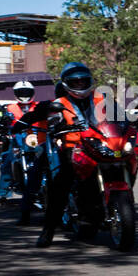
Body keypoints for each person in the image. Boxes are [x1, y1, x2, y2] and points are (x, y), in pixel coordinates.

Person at [20, 63, 107, 247]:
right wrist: (22, 123)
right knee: (59, 186)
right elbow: (44, 116)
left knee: (122, 161)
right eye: (76, 82)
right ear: (66, 84)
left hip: (100, 145)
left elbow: (119, 115)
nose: (80, 85)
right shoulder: (59, 103)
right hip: (73, 148)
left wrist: (131, 121)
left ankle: (113, 205)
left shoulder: (101, 98)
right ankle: (48, 232)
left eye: (84, 81)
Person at [0, 80, 39, 208]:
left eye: (27, 92)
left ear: (32, 93)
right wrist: (3, 121)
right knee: (7, 162)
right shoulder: (9, 108)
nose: (24, 94)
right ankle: (3, 194)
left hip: (37, 137)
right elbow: (1, 119)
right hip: (17, 139)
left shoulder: (39, 106)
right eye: (21, 92)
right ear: (16, 93)